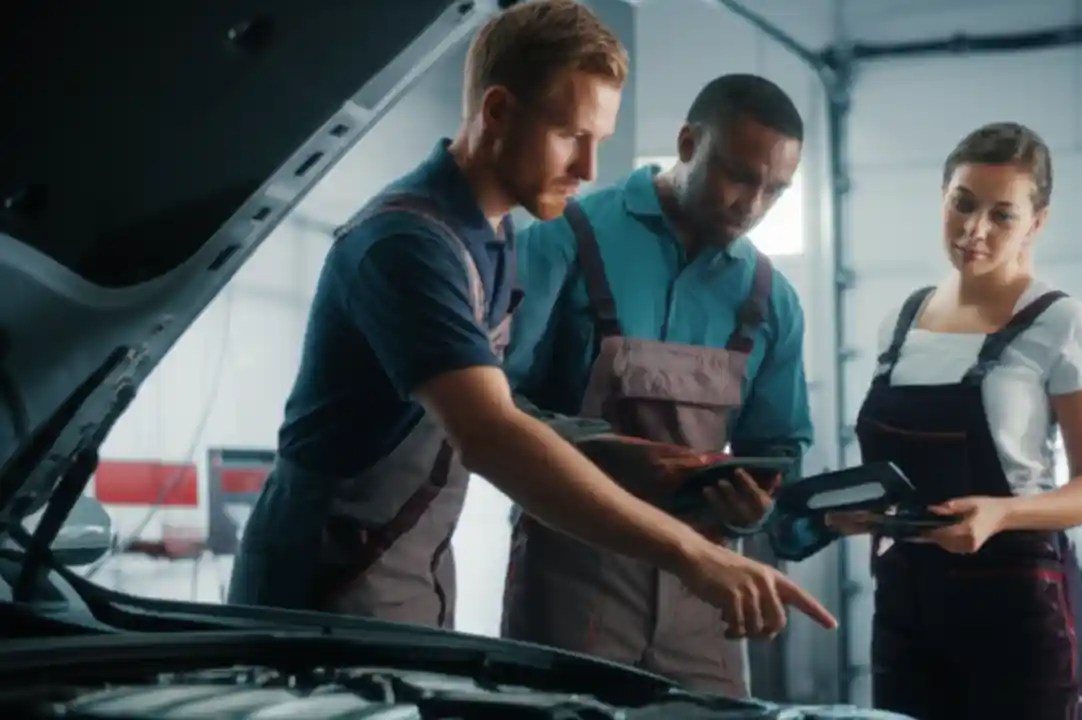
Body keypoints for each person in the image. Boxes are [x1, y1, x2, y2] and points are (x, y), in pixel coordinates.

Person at [226, 0, 836, 643]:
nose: (589, 170)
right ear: (496, 112)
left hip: (412, 571)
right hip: (320, 589)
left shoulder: (489, 240)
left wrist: (640, 462)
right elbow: (492, 433)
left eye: (599, 142)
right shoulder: (408, 244)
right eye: (570, 136)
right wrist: (691, 553)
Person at [500, 73, 814, 698]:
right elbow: (492, 403)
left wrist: (759, 507)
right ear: (688, 143)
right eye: (739, 176)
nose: (752, 205)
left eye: (775, 190)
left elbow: (781, 449)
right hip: (572, 578)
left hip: (707, 592)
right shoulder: (566, 238)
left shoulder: (772, 298)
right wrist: (607, 454)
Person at [788, 122, 1082, 719]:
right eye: (962, 204)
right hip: (905, 605)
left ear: (1036, 223)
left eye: (1002, 215)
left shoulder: (1063, 324)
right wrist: (866, 514)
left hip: (1018, 608)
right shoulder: (901, 321)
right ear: (943, 197)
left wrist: (1000, 513)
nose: (974, 230)